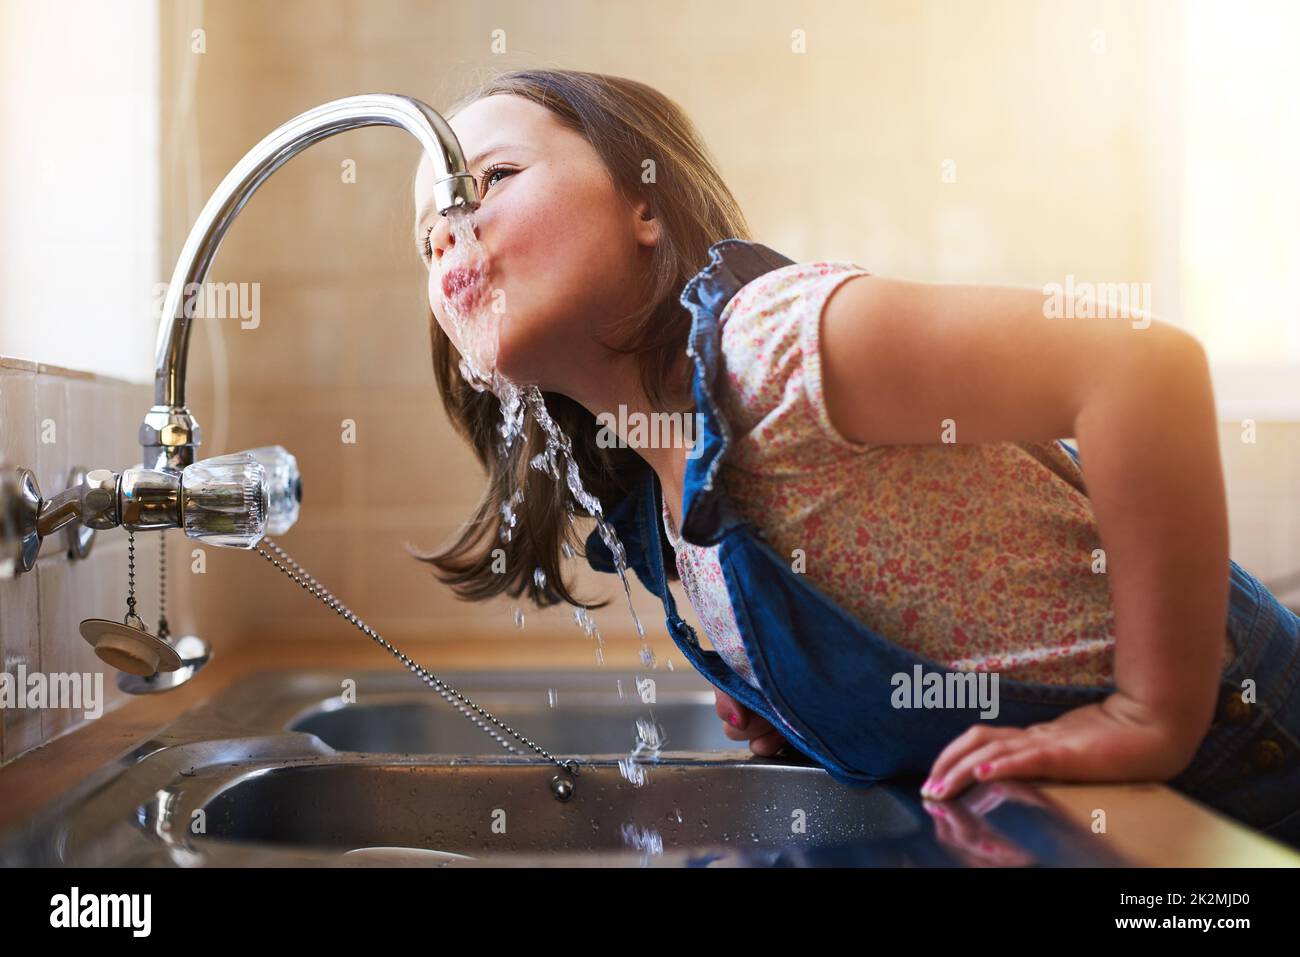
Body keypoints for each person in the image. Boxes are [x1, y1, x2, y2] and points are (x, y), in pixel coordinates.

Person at [410, 68, 1300, 848]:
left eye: (490, 179)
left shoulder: (774, 344)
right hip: (1108, 811)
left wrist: (1153, 713)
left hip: (1255, 752)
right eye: (426, 238)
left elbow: (1145, 369)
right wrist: (796, 698)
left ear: (645, 201)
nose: (450, 231)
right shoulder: (655, 511)